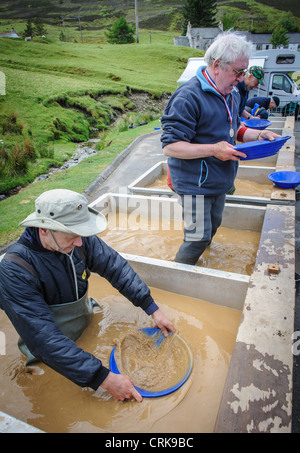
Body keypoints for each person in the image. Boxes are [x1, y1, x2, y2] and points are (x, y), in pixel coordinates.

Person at [0, 189, 175, 402]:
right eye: (72, 236)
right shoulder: (14, 270)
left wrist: (153, 309)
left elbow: (116, 268)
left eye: (81, 235)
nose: (80, 243)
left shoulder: (79, 241)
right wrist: (103, 378)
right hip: (49, 355)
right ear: (44, 229)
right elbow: (43, 339)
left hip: (85, 323)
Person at [161, 31, 280, 266]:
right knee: (197, 237)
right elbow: (171, 147)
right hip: (193, 183)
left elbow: (235, 130)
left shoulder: (232, 94)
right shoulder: (188, 97)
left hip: (219, 179)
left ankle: (204, 264)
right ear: (217, 65)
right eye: (238, 71)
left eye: (244, 72)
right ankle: (179, 276)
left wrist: (260, 134)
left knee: (213, 227)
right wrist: (215, 150)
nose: (241, 77)